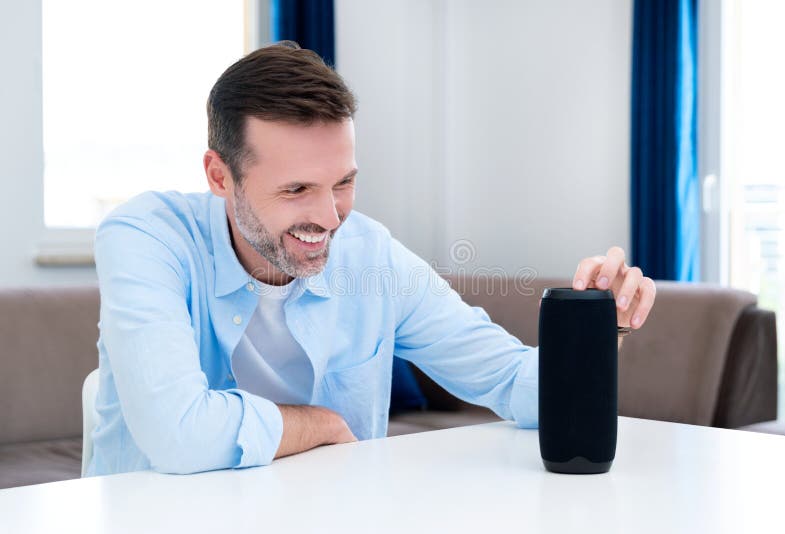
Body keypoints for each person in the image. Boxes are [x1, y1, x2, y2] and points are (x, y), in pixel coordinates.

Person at [88, 42, 656, 476]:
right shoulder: (146, 238)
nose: (331, 218)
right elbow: (177, 433)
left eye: (343, 183)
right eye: (296, 191)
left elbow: (516, 385)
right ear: (219, 176)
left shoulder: (371, 255)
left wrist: (602, 330)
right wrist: (318, 424)